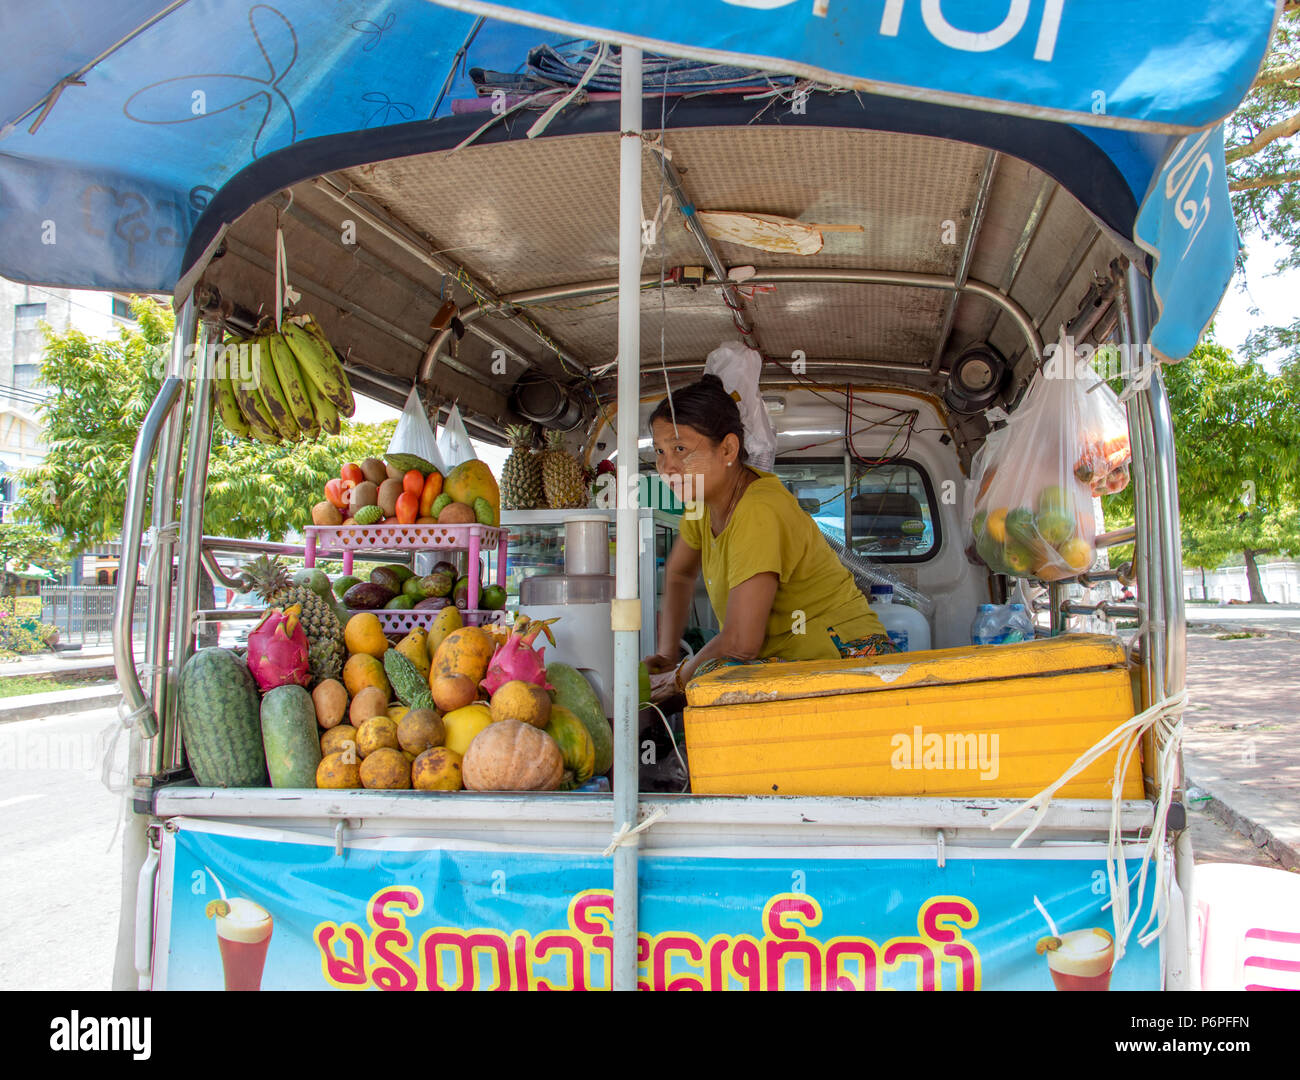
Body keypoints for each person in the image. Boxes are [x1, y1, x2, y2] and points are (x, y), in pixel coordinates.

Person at [643, 375, 895, 703]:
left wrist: (677, 679)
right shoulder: (700, 506)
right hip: (787, 662)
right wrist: (667, 654)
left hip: (842, 658)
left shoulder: (758, 508)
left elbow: (740, 643)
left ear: (728, 449)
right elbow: (679, 573)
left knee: (710, 675)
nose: (667, 466)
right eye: (660, 451)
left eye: (680, 449)